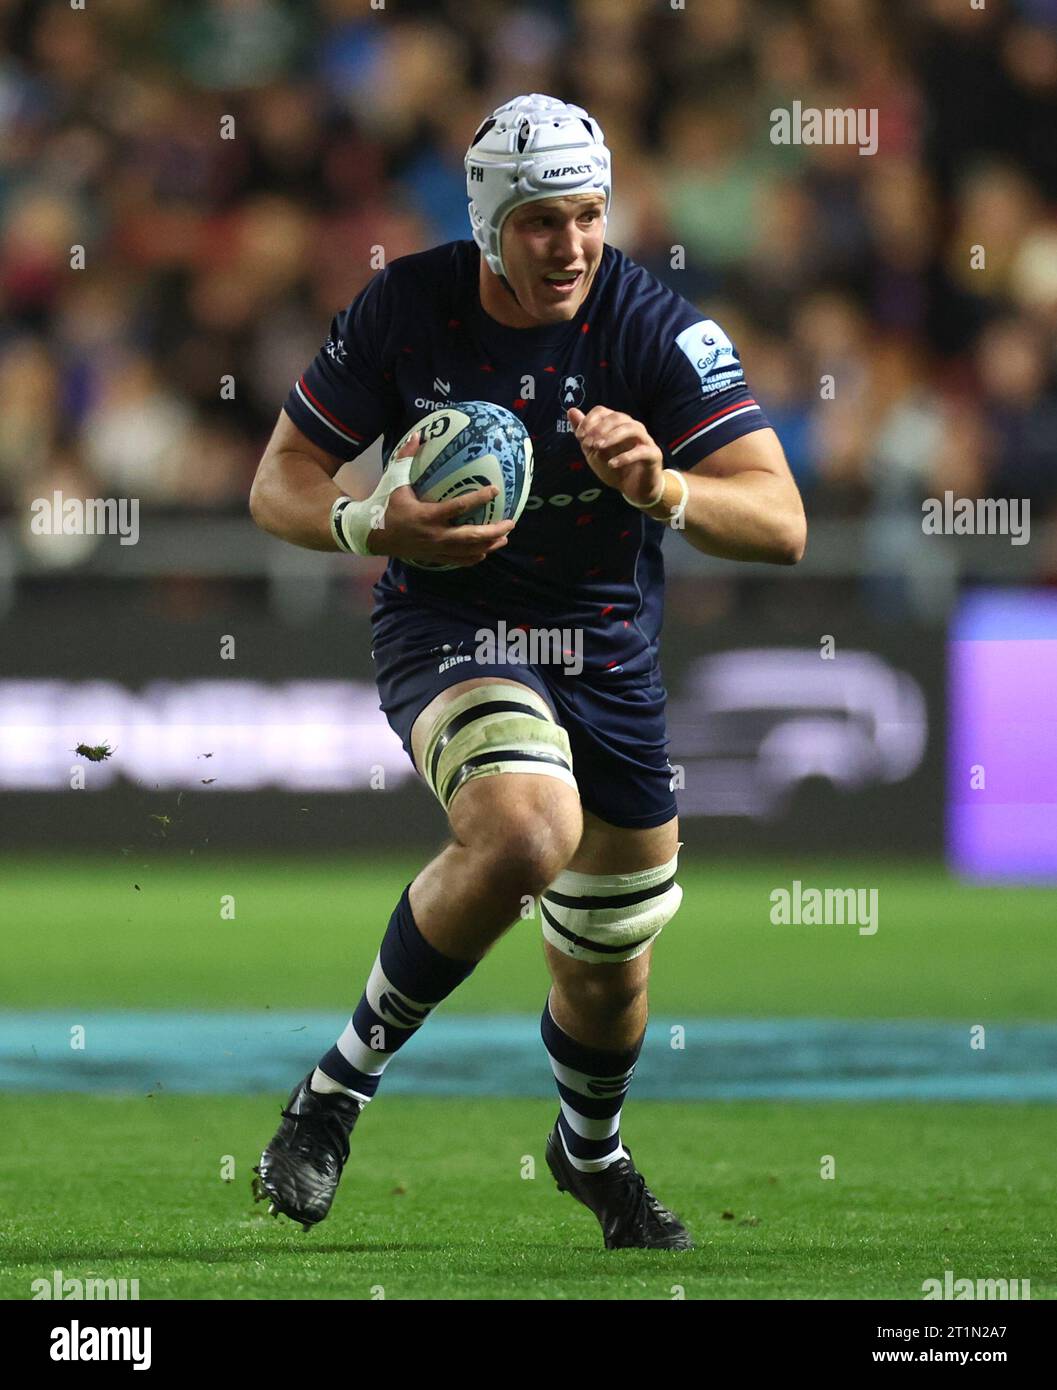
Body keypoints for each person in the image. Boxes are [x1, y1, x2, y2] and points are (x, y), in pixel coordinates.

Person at [248, 92, 806, 1250]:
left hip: (605, 652)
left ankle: (589, 1153)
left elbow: (781, 520)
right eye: (542, 221)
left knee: (606, 973)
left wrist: (664, 487)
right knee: (523, 830)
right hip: (452, 628)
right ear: (489, 224)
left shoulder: (651, 326)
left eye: (590, 216)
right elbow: (279, 479)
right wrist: (367, 523)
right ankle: (335, 1090)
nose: (571, 245)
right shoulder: (407, 306)